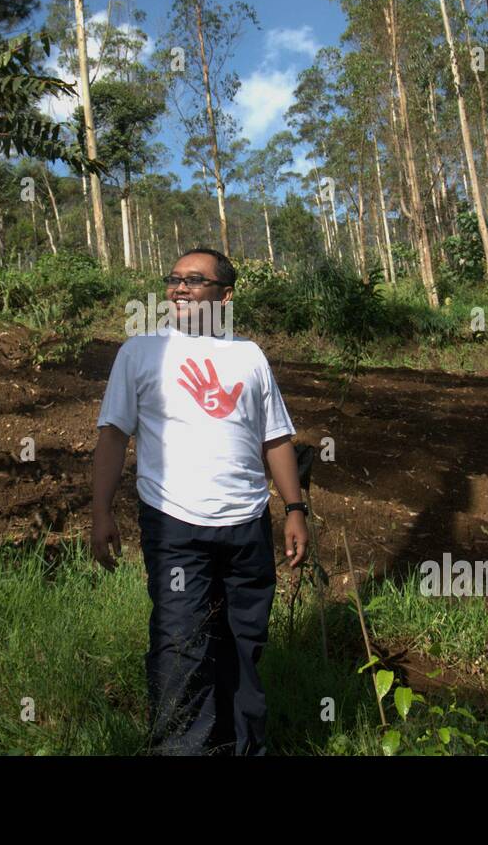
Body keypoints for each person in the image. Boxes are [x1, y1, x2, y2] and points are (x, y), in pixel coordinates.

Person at [91, 248, 309, 755]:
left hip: (248, 524)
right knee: (181, 644)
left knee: (244, 646)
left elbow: (274, 438)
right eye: (174, 280)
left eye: (195, 280)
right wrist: (100, 513)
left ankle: (243, 747)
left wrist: (294, 509)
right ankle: (181, 748)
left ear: (225, 296)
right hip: (175, 527)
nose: (181, 288)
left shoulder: (249, 355)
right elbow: (112, 436)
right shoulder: (141, 352)